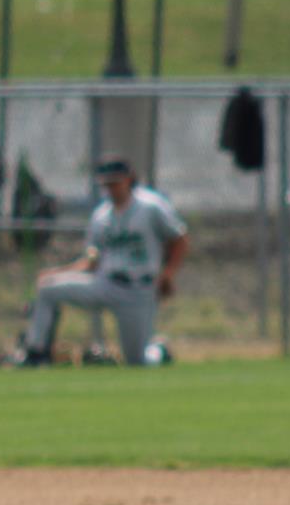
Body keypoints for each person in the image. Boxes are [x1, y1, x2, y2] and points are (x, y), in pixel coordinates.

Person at [20, 155, 189, 367]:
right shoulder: (101, 215)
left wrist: (168, 274)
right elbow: (92, 261)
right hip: (105, 283)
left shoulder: (150, 206)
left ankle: (158, 351)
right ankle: (36, 353)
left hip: (138, 288)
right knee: (48, 288)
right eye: (107, 184)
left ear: (129, 179)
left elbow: (179, 238)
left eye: (116, 182)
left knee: (137, 362)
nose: (112, 188)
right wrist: (57, 273)